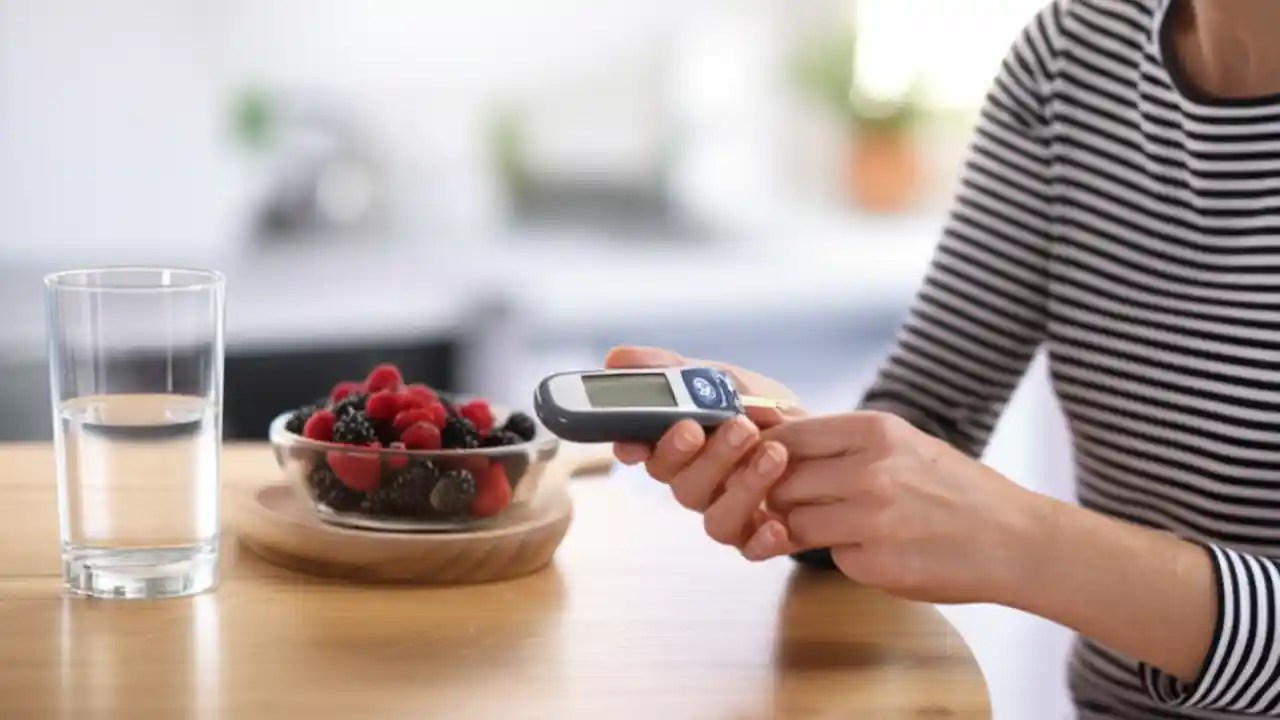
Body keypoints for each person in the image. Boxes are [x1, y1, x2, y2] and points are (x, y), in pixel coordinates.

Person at [605, 1, 1280, 717]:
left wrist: (1025, 544)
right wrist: (788, 455)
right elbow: (929, 414)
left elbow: (996, 526)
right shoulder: (1078, 52)